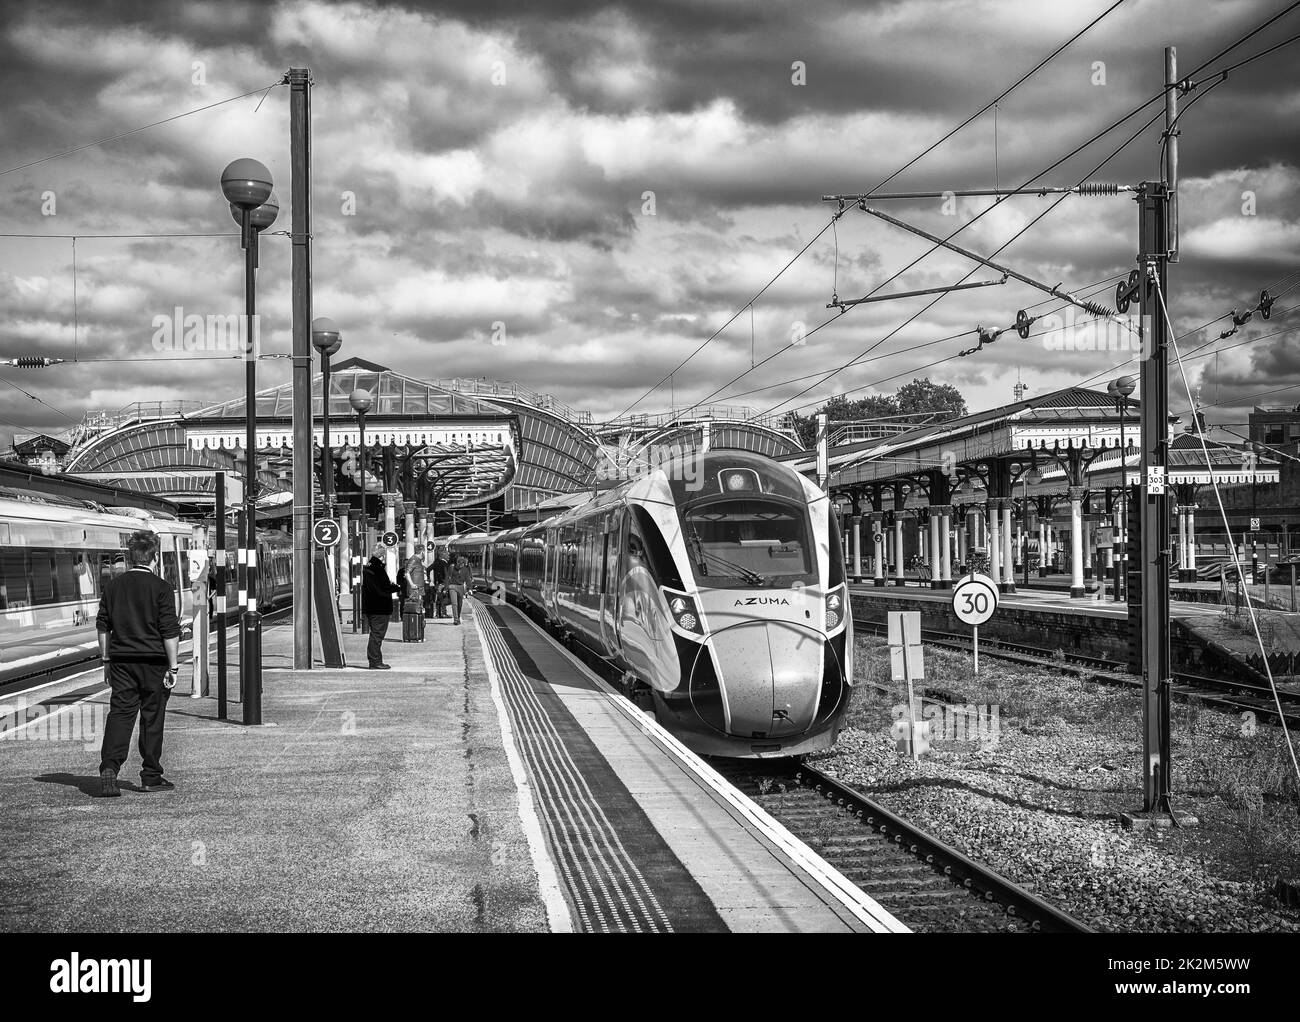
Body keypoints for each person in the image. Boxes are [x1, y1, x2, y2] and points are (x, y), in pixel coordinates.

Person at [96, 529, 181, 798]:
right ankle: (150, 776)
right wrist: (174, 666)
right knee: (152, 718)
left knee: (120, 714)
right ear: (154, 559)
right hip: (154, 663)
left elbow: (103, 627)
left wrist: (106, 660)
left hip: (121, 662)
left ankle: (110, 766)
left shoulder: (113, 587)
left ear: (131, 559)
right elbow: (170, 631)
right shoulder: (161, 588)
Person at [362, 543, 401, 669]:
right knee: (377, 635)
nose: (384, 556)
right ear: (379, 554)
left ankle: (375, 660)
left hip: (371, 605)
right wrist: (395, 587)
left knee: (375, 634)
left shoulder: (369, 566)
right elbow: (381, 588)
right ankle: (375, 661)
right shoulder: (376, 568)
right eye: (383, 554)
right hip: (379, 607)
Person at [447, 555, 473, 625]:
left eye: (462, 564)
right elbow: (447, 577)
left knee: (460, 604)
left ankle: (458, 616)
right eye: (459, 564)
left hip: (461, 587)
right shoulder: (452, 568)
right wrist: (447, 587)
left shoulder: (466, 570)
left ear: (464, 564)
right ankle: (456, 619)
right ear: (457, 563)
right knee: (454, 603)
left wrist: (470, 588)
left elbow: (468, 580)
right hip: (452, 587)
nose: (460, 566)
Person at [430, 551, 448, 618]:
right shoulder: (444, 563)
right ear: (442, 556)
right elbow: (446, 574)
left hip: (437, 583)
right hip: (442, 583)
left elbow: (428, 569)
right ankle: (443, 613)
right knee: (443, 598)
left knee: (438, 598)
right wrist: (446, 583)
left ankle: (438, 614)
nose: (448, 556)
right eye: (447, 555)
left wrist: (430, 580)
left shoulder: (435, 563)